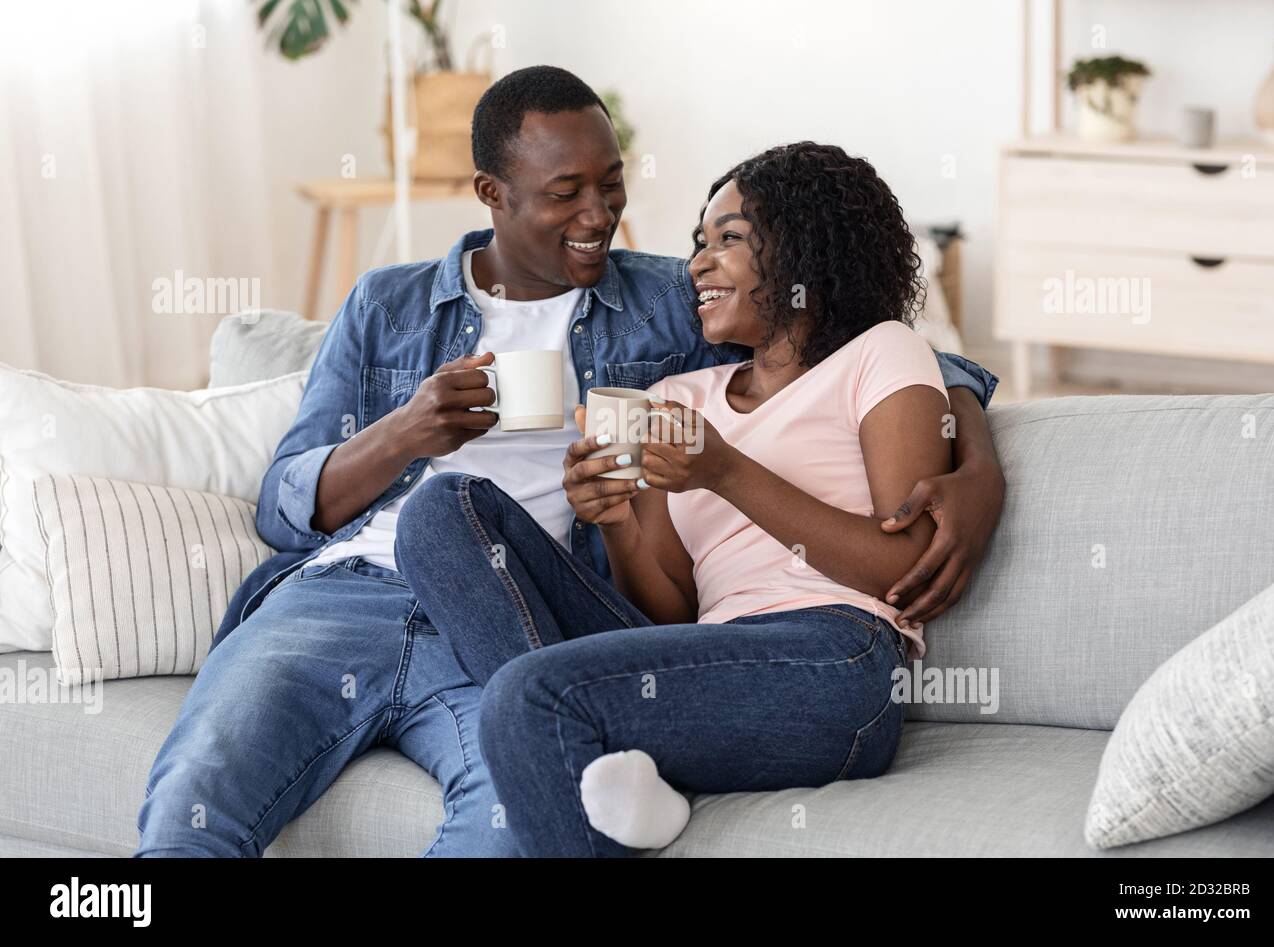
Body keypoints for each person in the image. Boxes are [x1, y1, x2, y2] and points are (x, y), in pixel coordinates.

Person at [135, 66, 1001, 858]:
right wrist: (405, 432)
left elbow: (860, 334)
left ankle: (594, 756)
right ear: (491, 194)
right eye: (565, 192)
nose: (599, 215)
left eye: (612, 186)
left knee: (511, 799)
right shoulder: (389, 305)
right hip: (352, 594)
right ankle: (600, 756)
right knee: (194, 805)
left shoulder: (666, 300)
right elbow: (283, 505)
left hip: (521, 615)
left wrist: (977, 462)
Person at [398, 141, 967, 856]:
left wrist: (726, 472)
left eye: (728, 239)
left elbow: (906, 568)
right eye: (699, 241)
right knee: (441, 509)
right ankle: (599, 766)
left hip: (834, 660)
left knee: (524, 697)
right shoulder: (676, 399)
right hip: (706, 650)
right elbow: (667, 613)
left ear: (807, 254)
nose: (697, 262)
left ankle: (573, 749)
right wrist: (611, 520)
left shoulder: (883, 353)